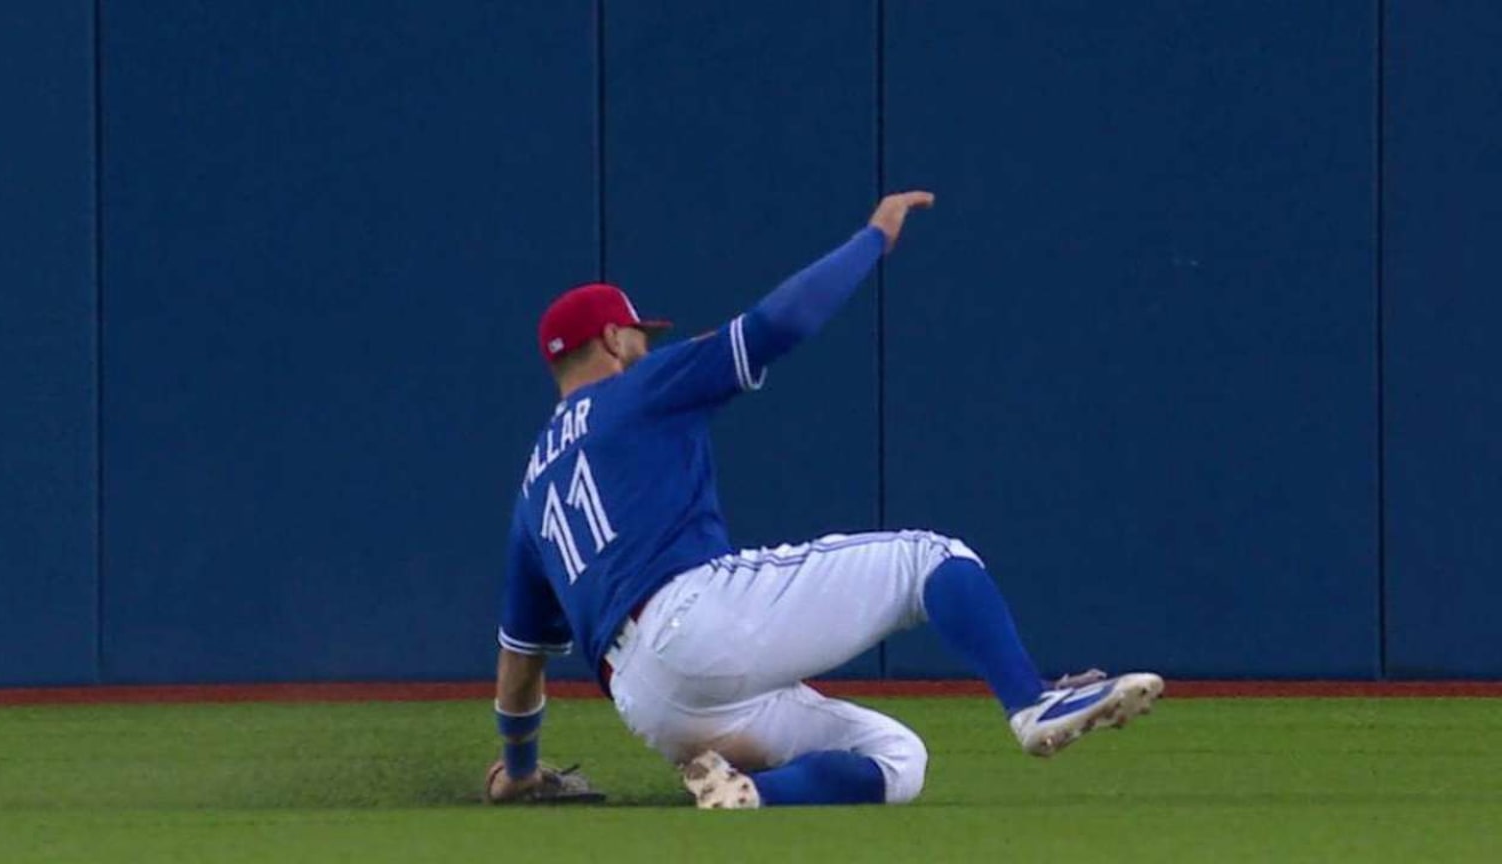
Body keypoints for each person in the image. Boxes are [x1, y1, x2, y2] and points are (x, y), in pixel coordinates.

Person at [487, 191, 1163, 809]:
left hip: (651, 704)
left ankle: (747, 792)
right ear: (610, 339)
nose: (647, 344)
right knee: (930, 560)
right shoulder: (639, 387)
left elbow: (520, 663)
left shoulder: (532, 491)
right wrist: (871, 238)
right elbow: (778, 323)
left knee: (898, 759)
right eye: (639, 334)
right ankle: (1032, 702)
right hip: (695, 623)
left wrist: (519, 769)